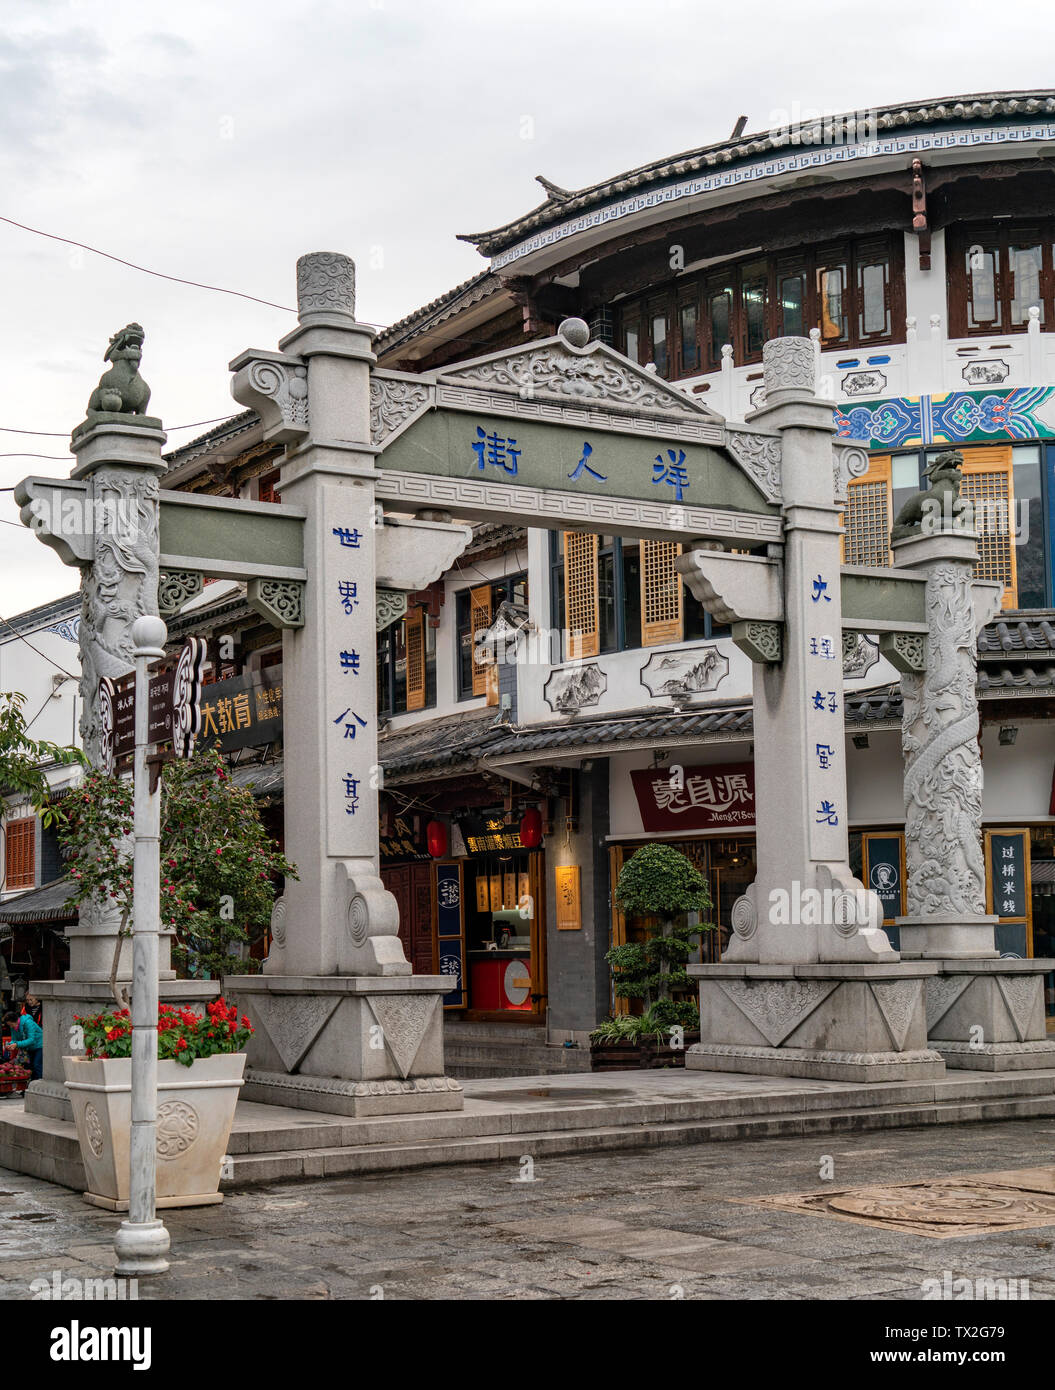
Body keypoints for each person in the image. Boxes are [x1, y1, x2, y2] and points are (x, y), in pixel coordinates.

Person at [12, 1009, 42, 1081]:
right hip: (29, 1048)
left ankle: (40, 1083)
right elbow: (14, 1039)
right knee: (29, 1066)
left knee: (36, 1065)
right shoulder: (13, 1026)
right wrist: (10, 1044)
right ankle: (31, 1084)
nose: (11, 1027)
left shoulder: (28, 1022)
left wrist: (17, 1044)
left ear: (15, 1021)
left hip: (39, 1045)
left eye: (11, 1024)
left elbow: (31, 1039)